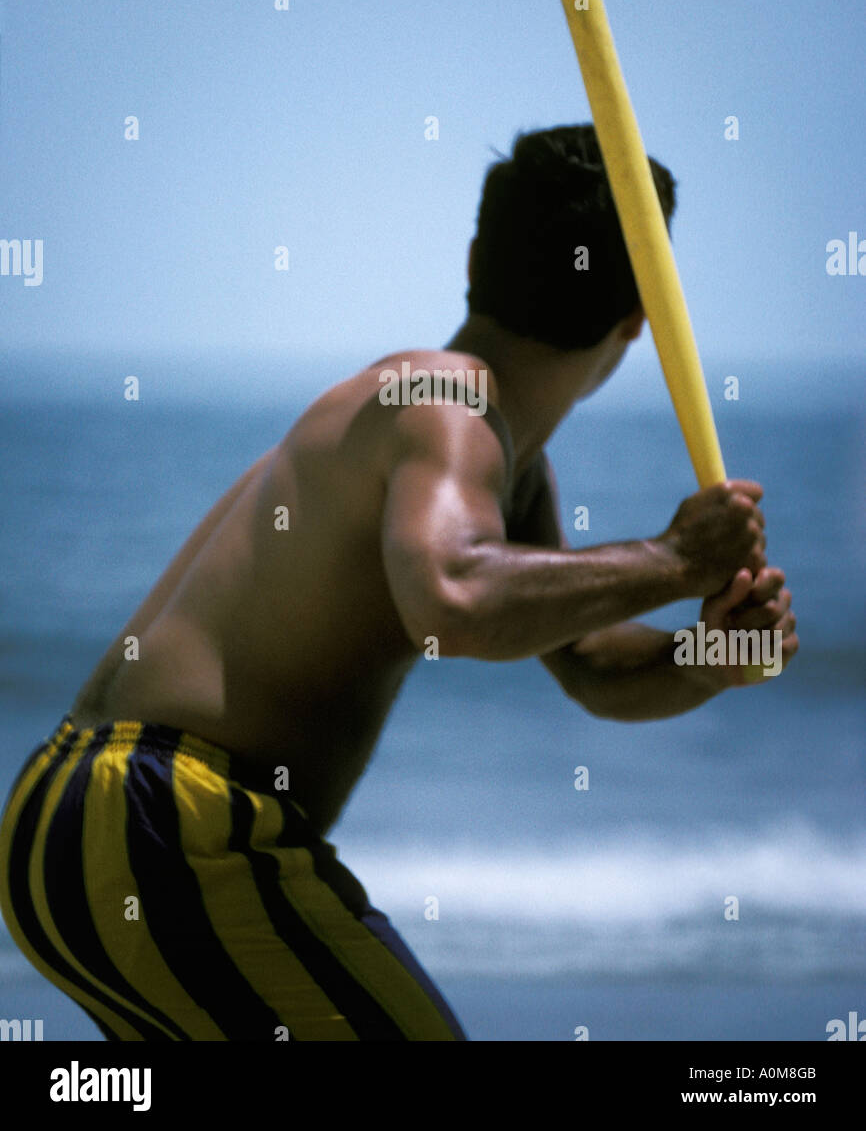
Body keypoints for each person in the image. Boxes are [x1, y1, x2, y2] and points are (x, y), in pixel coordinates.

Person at [0, 124, 797, 1041]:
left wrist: (712, 654)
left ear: (474, 257)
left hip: (78, 823)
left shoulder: (489, 445)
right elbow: (455, 600)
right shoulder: (447, 404)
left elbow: (586, 663)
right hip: (168, 828)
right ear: (641, 318)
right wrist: (674, 560)